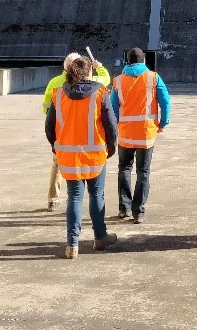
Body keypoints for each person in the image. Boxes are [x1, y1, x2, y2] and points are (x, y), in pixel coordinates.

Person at [45, 56, 119, 258]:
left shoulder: (58, 94)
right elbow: (111, 125)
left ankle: (72, 244)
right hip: (95, 155)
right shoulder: (100, 93)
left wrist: (56, 147)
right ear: (90, 73)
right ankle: (100, 237)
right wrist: (110, 149)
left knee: (74, 197)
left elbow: (49, 127)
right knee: (97, 195)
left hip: (68, 157)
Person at [41, 53, 111, 211]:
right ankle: (99, 230)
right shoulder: (93, 84)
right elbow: (106, 79)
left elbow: (46, 108)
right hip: (88, 139)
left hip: (62, 135)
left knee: (57, 167)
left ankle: (53, 199)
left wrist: (55, 139)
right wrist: (99, 67)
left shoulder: (54, 83)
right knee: (94, 190)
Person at [110, 48, 170, 223]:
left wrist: (115, 126)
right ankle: (139, 212)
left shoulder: (118, 81)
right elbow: (165, 101)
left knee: (124, 168)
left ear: (127, 62)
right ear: (144, 61)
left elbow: (113, 109)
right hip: (146, 133)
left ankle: (124, 208)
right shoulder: (153, 77)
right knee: (143, 171)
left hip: (125, 134)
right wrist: (163, 123)